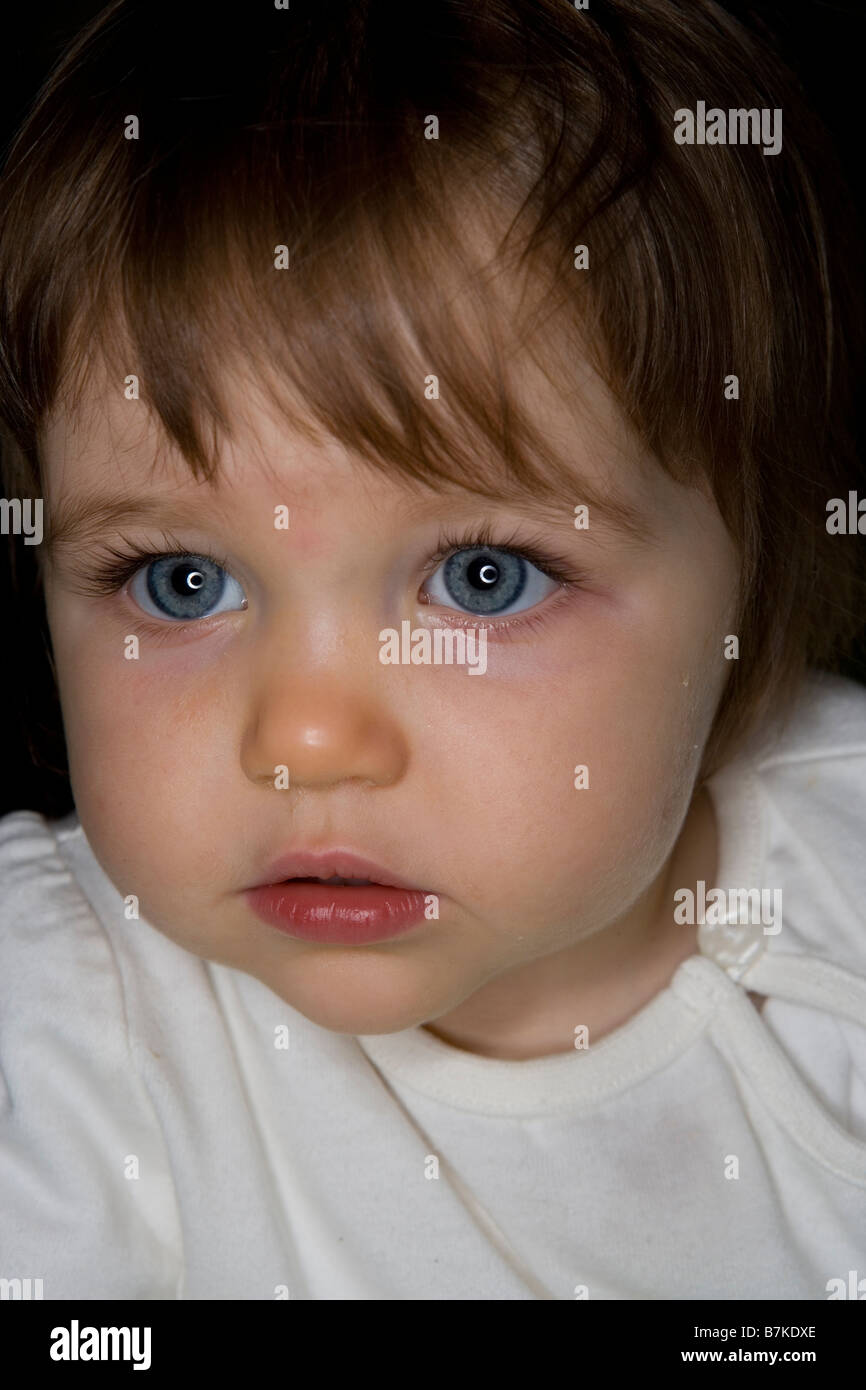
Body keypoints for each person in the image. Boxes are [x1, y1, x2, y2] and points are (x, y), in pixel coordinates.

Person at [0, 0, 864, 1300]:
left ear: (753, 567)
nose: (301, 736)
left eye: (482, 576)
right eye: (181, 582)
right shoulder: (63, 1028)